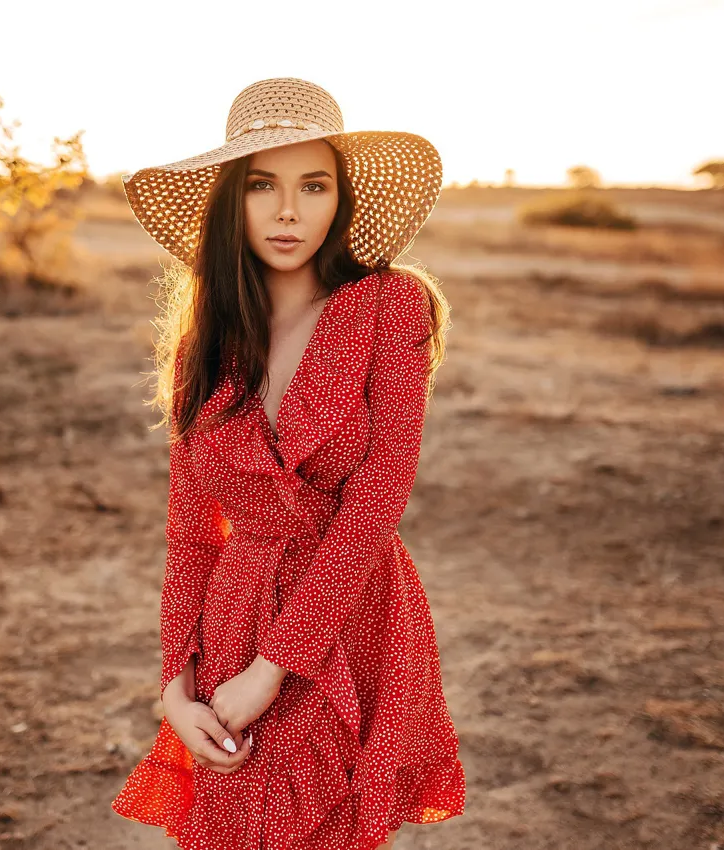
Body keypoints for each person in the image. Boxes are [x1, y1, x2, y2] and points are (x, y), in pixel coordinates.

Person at [110, 77, 466, 850]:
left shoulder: (391, 307)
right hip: (233, 614)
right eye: (263, 185)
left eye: (314, 185)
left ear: (341, 200)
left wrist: (275, 666)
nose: (288, 212)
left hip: (349, 604)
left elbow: (378, 495)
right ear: (232, 200)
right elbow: (192, 531)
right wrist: (175, 685)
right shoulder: (204, 339)